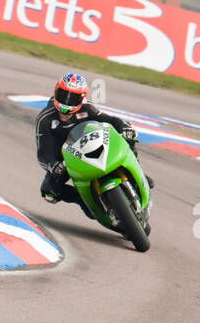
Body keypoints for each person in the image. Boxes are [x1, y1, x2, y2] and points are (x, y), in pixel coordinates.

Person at [34, 72, 151, 216]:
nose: (67, 101)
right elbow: (43, 152)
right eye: (63, 94)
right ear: (56, 92)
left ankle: (139, 173)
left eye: (73, 97)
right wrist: (53, 165)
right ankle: (85, 201)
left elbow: (112, 121)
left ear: (81, 98)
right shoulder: (45, 119)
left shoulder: (87, 108)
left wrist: (125, 127)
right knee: (49, 192)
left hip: (91, 144)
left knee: (128, 137)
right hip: (66, 159)